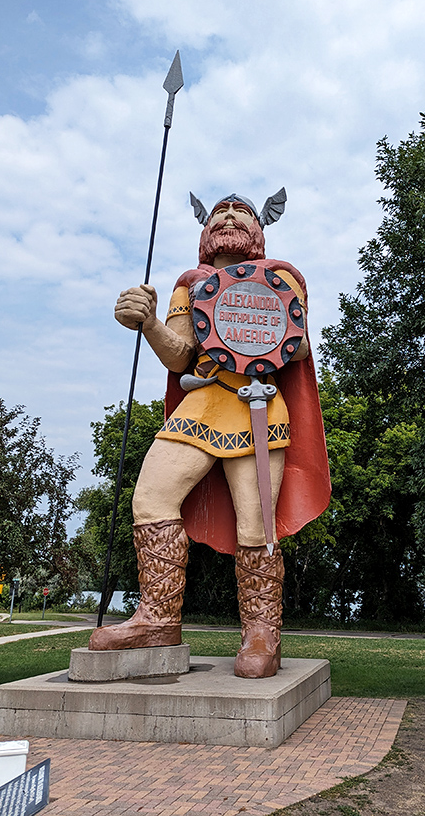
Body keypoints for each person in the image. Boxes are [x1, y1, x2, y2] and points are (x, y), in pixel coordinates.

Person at [88, 190, 331, 678]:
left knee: (256, 526)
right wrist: (149, 321)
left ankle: (262, 633)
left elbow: (299, 347)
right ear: (205, 229)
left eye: (239, 210)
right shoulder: (190, 284)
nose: (228, 215)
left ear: (259, 227)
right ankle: (158, 618)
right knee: (150, 500)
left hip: (258, 408)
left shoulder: (281, 278)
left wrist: (263, 322)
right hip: (202, 403)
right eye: (220, 210)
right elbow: (181, 356)